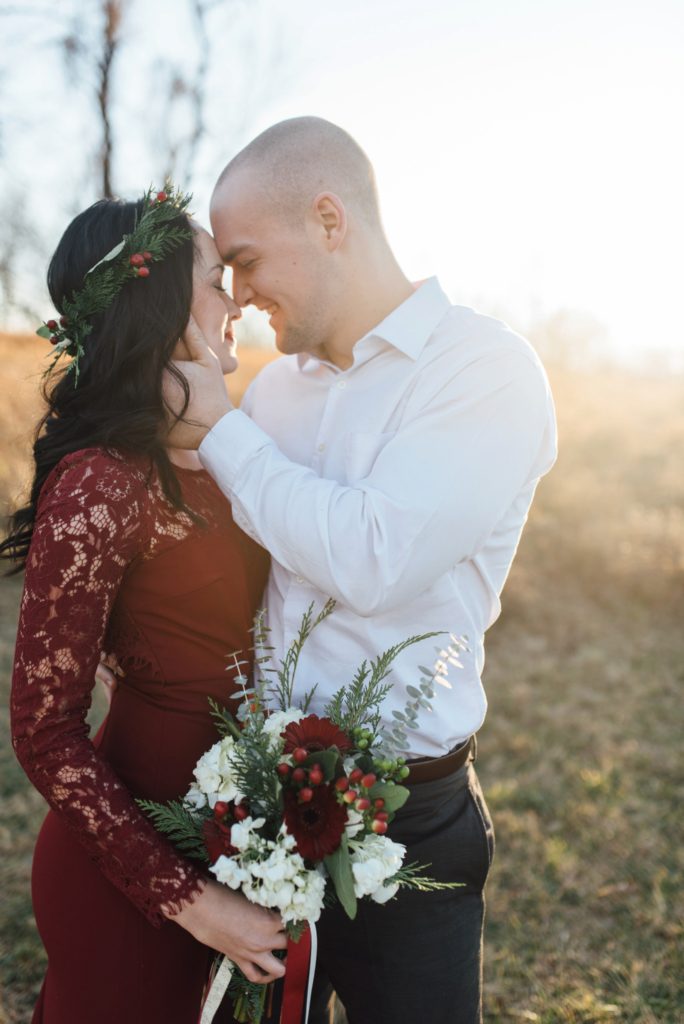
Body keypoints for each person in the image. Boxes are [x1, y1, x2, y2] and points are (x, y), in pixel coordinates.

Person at [164, 117, 558, 1024]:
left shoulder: (483, 370)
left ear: (329, 219)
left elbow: (373, 556)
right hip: (260, 800)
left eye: (250, 260)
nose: (242, 291)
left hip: (409, 821)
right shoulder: (273, 390)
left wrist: (222, 430)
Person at [2, 188, 289, 1024]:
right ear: (156, 301)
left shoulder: (236, 444)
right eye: (213, 279)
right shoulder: (101, 479)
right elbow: (43, 731)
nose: (234, 300)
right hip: (131, 878)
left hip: (239, 838)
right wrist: (196, 901)